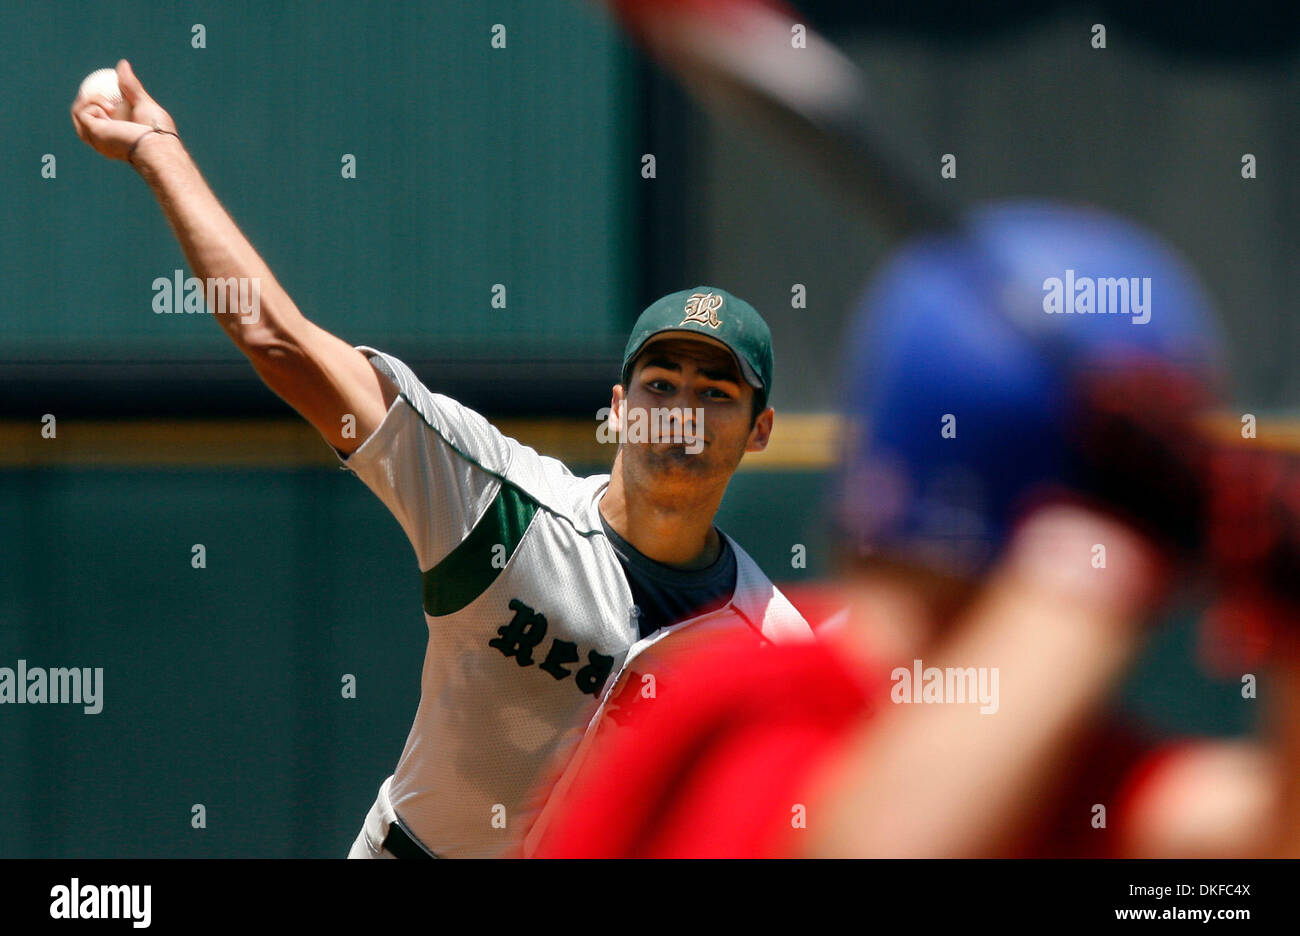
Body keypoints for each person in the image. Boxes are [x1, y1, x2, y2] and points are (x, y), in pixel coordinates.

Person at [70, 60, 812, 859]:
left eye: (715, 393)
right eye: (660, 385)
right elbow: (277, 340)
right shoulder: (502, 508)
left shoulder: (776, 648)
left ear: (760, 429)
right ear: (621, 409)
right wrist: (160, 153)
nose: (682, 415)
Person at [528, 199, 1238, 858]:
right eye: (663, 385)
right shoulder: (751, 697)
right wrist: (1098, 564)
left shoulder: (1066, 761)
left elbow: (1255, 830)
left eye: (716, 394)